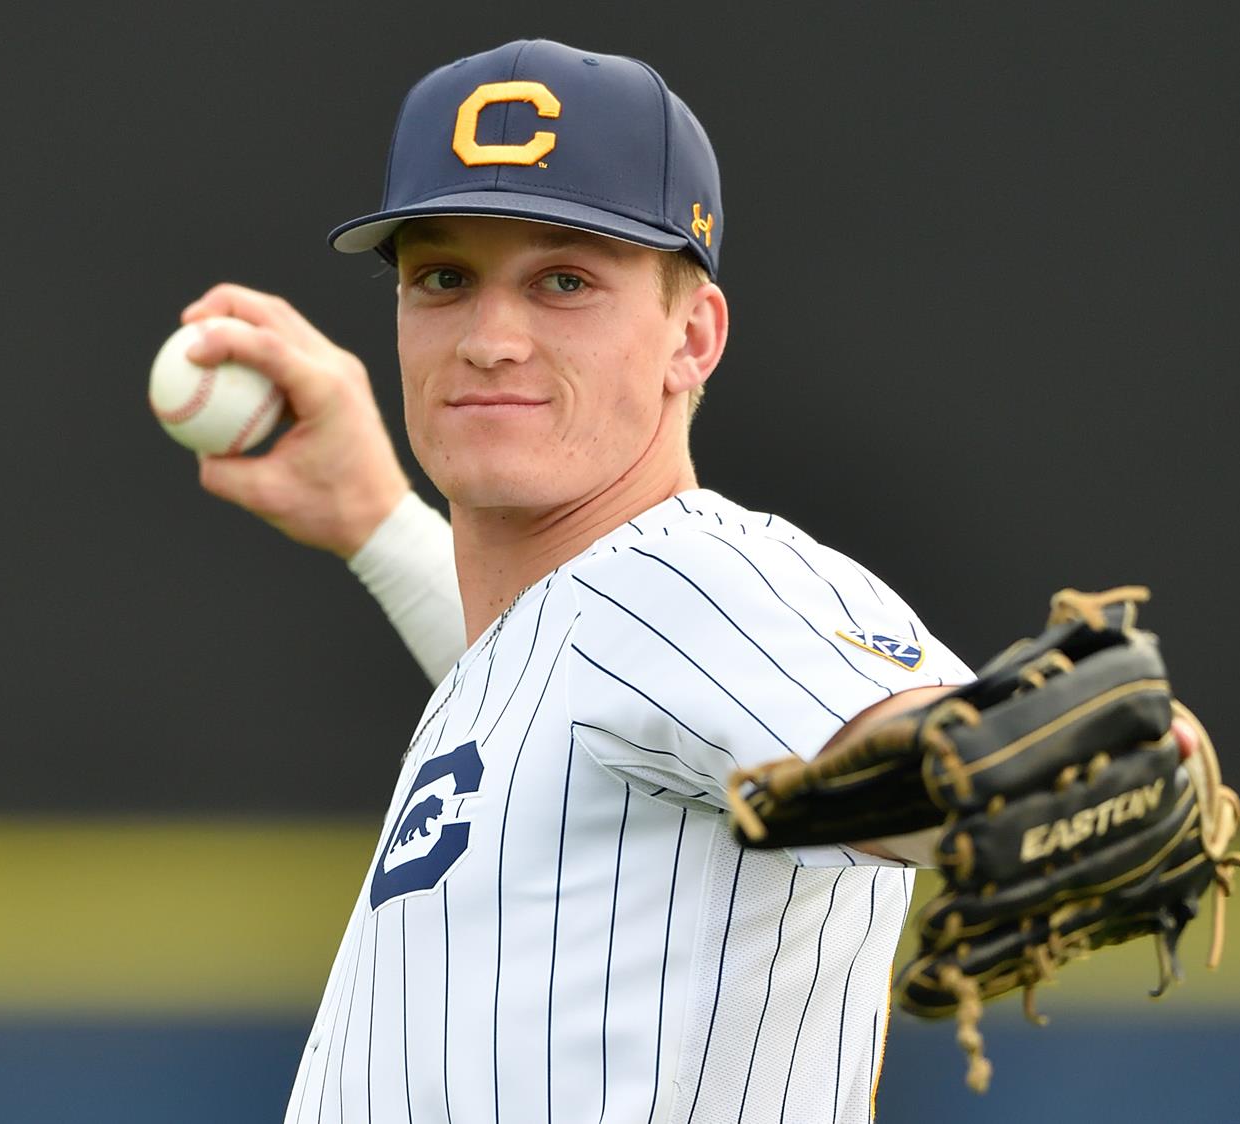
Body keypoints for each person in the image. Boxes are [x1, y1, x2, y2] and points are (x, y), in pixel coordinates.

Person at [179, 40, 973, 1124]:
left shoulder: (683, 570)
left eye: (564, 281)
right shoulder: (574, 634)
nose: (489, 339)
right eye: (441, 278)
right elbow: (557, 685)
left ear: (690, 336)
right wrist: (373, 522)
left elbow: (947, 756)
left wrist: (1018, 795)